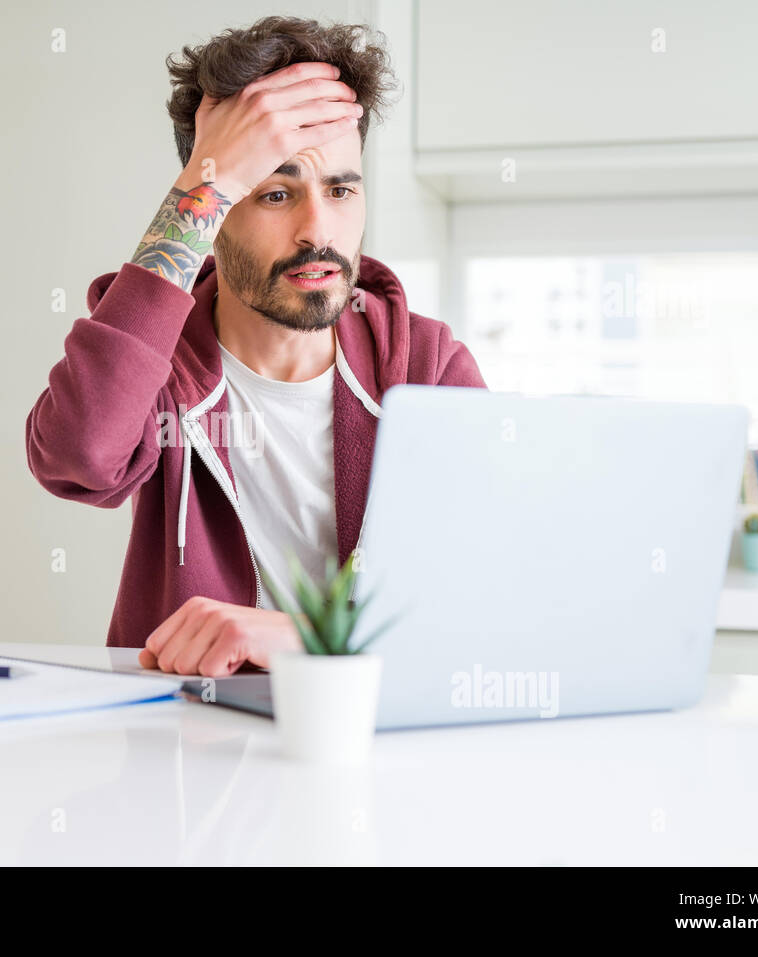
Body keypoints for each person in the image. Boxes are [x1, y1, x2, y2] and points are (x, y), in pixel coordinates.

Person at [26, 16, 487, 677]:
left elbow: (479, 601)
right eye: (275, 191)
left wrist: (296, 637)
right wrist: (199, 186)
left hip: (365, 744)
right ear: (210, 213)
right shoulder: (163, 356)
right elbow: (79, 456)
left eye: (340, 189)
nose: (317, 229)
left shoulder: (425, 367)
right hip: (181, 747)